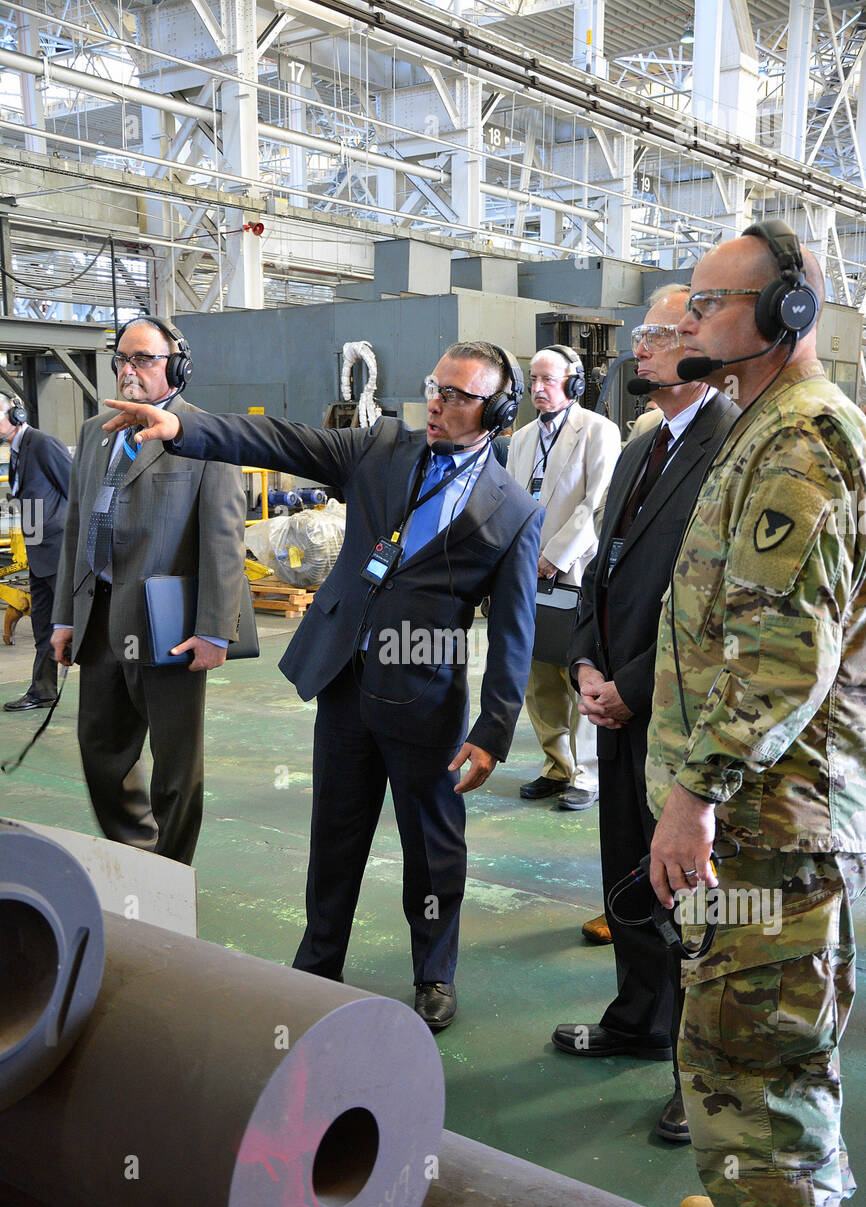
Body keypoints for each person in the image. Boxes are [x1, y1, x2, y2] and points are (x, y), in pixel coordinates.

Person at [101, 341, 541, 1031]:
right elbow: (281, 440)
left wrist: (492, 731)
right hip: (344, 679)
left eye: (459, 396)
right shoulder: (383, 448)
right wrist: (185, 427)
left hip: (425, 699)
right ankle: (319, 963)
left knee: (433, 847)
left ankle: (434, 971)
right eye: (436, 386)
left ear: (497, 412)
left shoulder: (512, 508)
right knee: (335, 834)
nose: (438, 402)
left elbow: (515, 632)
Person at [645, 221, 866, 1207]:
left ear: (785, 314)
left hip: (771, 832)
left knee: (754, 1062)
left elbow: (778, 656)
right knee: (749, 1048)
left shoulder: (799, 441)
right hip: (759, 821)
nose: (687, 321)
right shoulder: (761, 422)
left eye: (709, 304)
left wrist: (693, 796)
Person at [552, 287, 740, 1147]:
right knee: (628, 872)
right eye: (641, 336)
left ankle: (692, 1074)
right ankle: (638, 1018)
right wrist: (587, 663)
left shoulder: (731, 440)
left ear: (701, 342)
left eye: (658, 336)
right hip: (617, 695)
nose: (641, 349)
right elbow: (601, 569)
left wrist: (630, 683)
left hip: (677, 710)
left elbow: (703, 600)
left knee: (691, 900)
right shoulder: (639, 446)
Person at [51, 317, 246, 865]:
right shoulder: (95, 432)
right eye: (122, 358)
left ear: (176, 367)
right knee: (102, 753)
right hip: (101, 614)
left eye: (144, 359)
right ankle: (137, 855)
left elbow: (225, 539)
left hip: (169, 625)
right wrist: (65, 617)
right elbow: (74, 530)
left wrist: (214, 629)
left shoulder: (204, 434)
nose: (129, 369)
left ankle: (172, 872)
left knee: (175, 766)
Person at [506, 347, 620, 810]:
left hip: (570, 573)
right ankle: (556, 765)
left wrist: (552, 557)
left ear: (574, 383)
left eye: (548, 380)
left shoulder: (598, 432)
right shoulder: (521, 438)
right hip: (525, 574)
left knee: (577, 671)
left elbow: (597, 506)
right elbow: (510, 500)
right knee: (537, 677)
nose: (538, 388)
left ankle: (586, 776)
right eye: (533, 379)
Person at [0, 394, 70, 711]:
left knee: (81, 624)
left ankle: (117, 693)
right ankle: (42, 690)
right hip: (38, 554)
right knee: (43, 625)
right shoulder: (17, 451)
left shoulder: (41, 443)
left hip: (59, 554)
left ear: (16, 414)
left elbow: (77, 490)